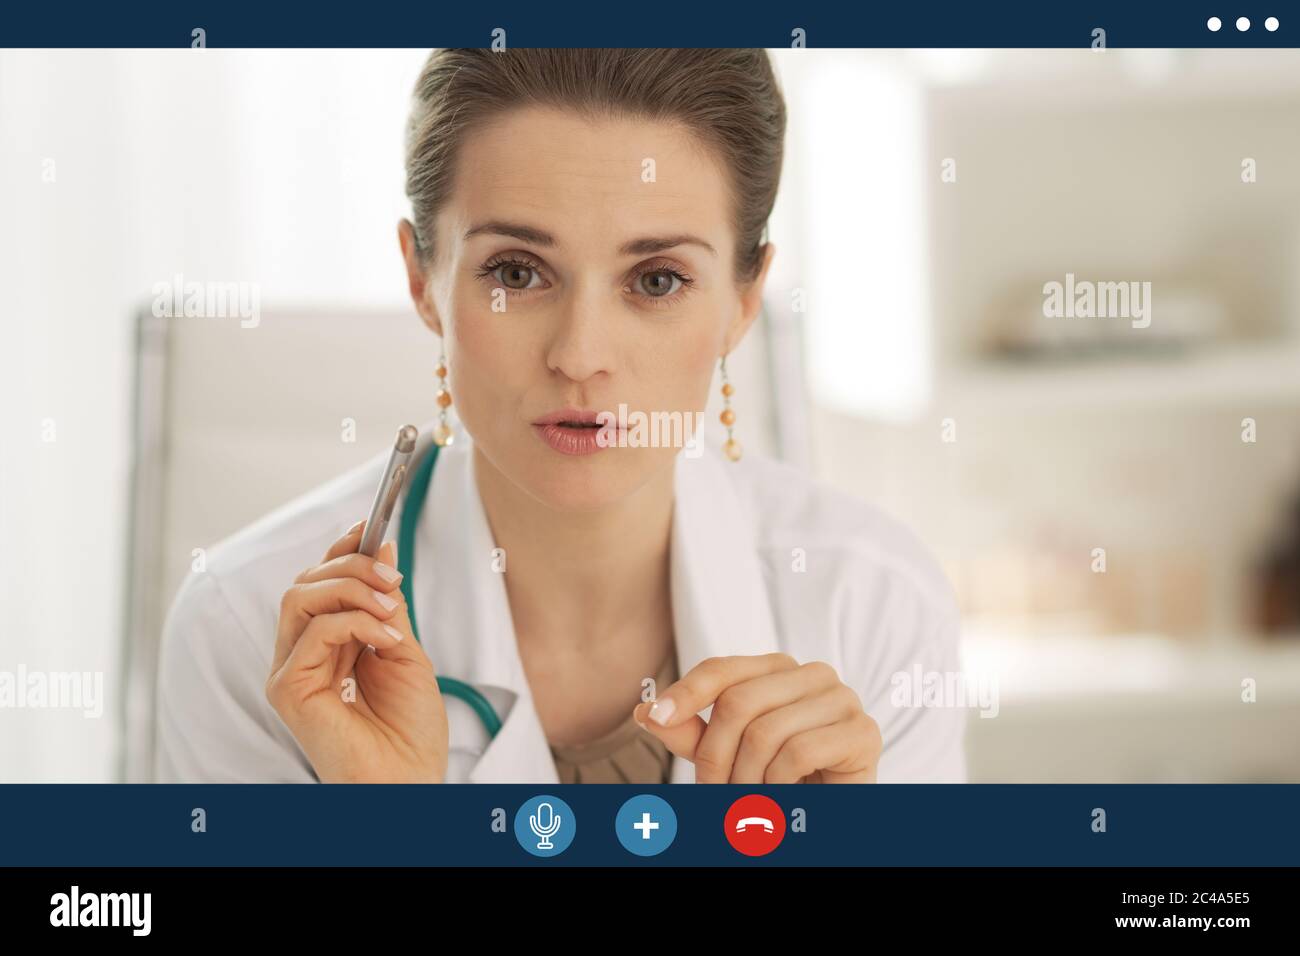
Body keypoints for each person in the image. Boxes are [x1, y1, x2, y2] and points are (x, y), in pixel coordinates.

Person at [155, 48, 966, 785]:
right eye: (517, 270)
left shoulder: (874, 607)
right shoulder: (245, 631)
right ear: (421, 278)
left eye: (656, 281)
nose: (580, 355)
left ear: (744, 301)